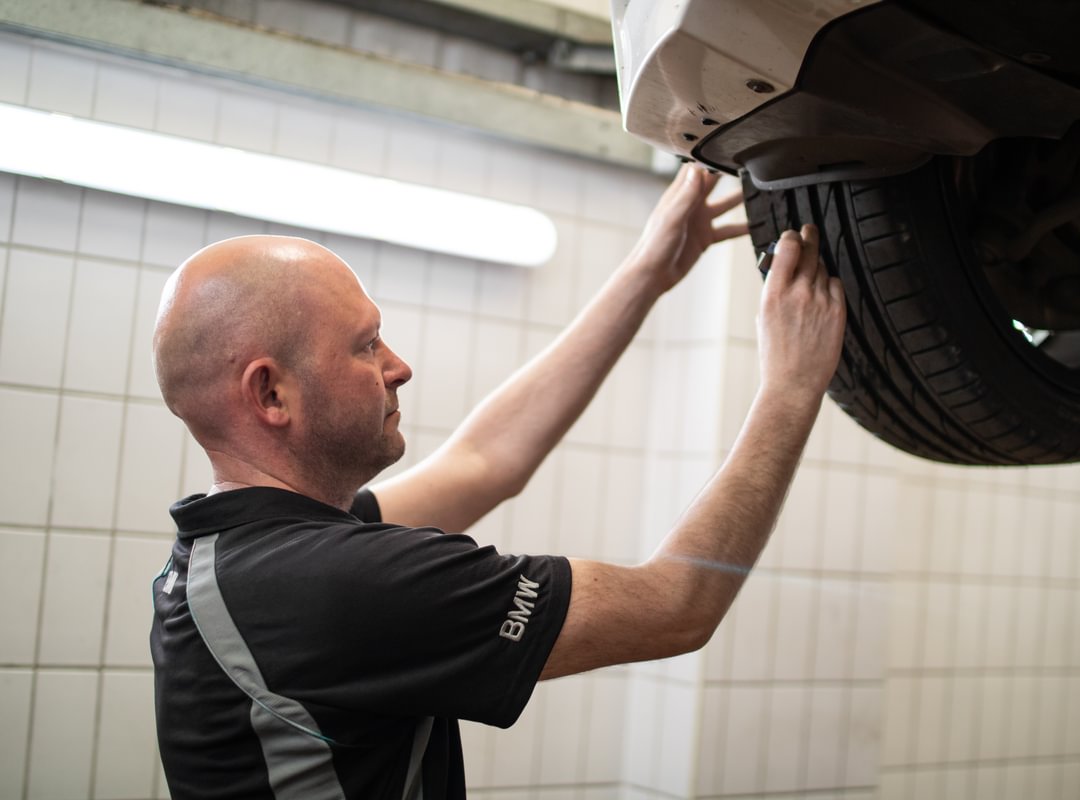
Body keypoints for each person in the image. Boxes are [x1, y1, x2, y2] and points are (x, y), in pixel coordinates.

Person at [149, 163, 845, 800]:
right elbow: (676, 606)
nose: (398, 367)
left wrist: (647, 272)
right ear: (271, 395)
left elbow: (487, 461)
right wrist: (790, 388)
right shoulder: (333, 586)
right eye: (364, 346)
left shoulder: (249, 556)